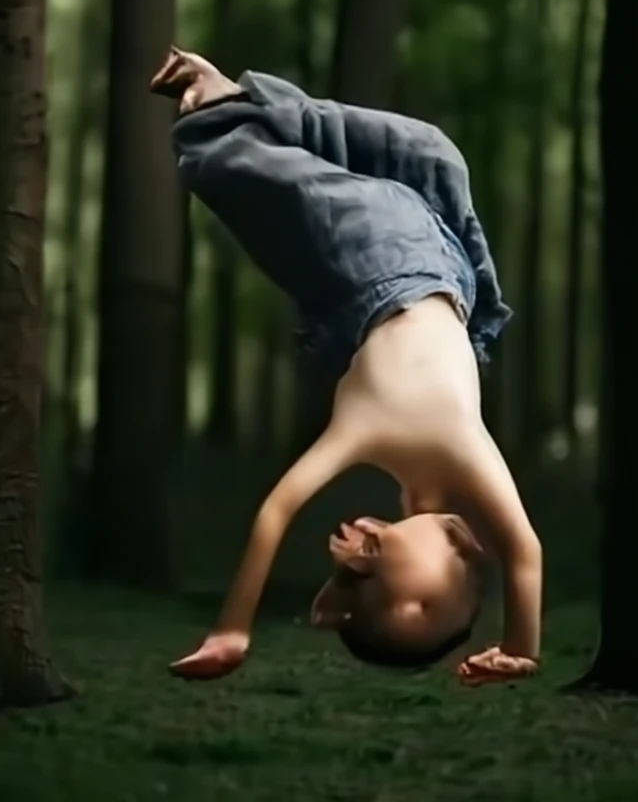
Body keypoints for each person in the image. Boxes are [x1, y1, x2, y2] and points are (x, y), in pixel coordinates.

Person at [152, 48, 542, 686]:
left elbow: (276, 515)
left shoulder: (376, 436)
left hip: (395, 271)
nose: (473, 552)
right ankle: (232, 109)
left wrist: (232, 628)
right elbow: (523, 551)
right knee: (410, 155)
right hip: (446, 273)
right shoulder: (462, 449)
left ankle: (221, 109)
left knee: (299, 175)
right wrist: (521, 647)